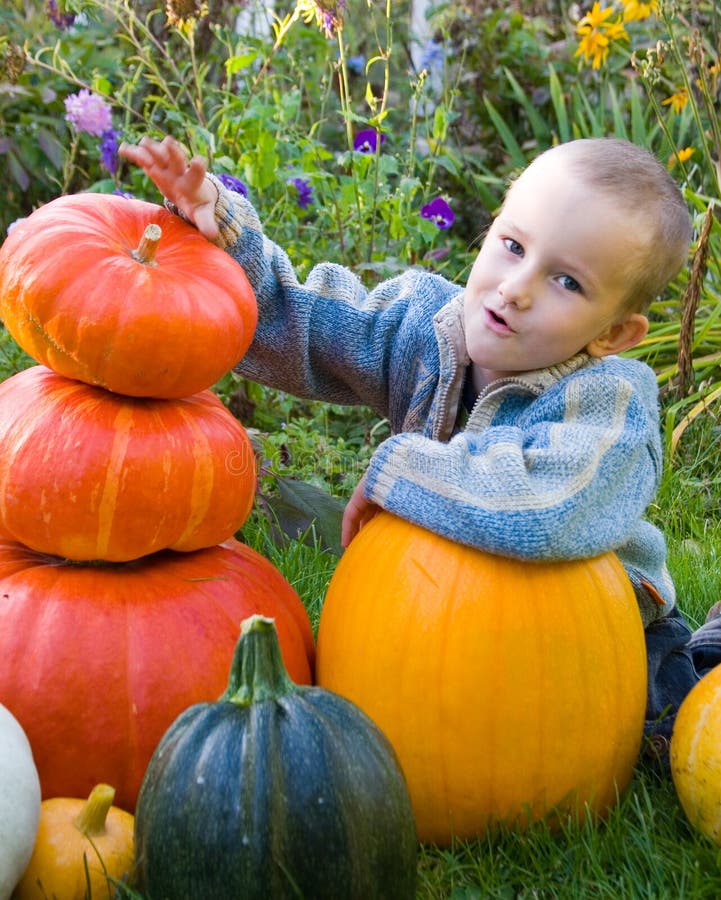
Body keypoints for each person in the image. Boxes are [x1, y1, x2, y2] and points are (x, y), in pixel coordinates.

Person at [120, 134, 720, 761]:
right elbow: (298, 322)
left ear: (616, 333)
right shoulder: (427, 326)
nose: (515, 288)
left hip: (597, 645)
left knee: (684, 736)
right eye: (512, 246)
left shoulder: (609, 404)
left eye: (566, 281)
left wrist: (399, 470)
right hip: (441, 628)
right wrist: (221, 235)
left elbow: (547, 507)